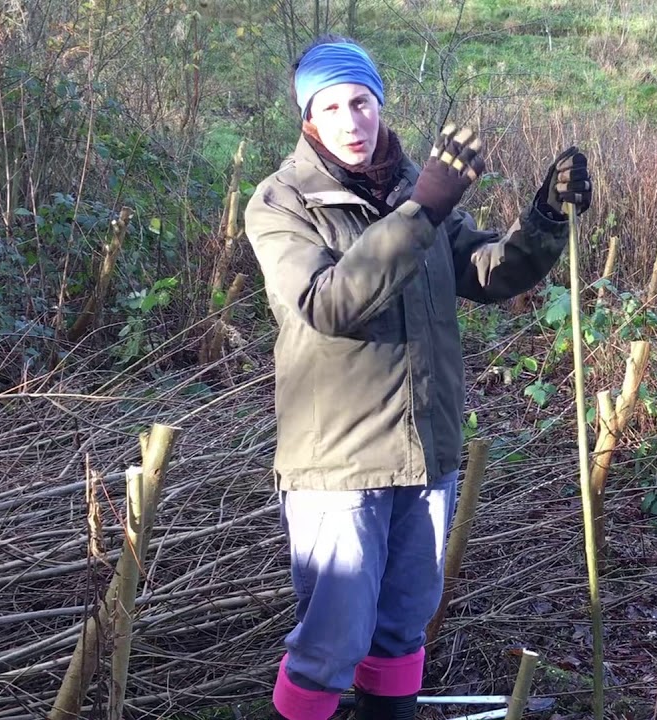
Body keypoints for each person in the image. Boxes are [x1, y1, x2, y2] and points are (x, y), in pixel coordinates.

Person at [242, 35, 592, 720]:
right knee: (329, 645)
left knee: (402, 629)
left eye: (363, 102)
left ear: (380, 104)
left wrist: (544, 220)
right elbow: (329, 304)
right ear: (308, 117)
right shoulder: (281, 203)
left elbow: (488, 273)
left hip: (426, 455)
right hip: (337, 464)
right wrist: (423, 209)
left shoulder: (410, 189)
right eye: (333, 105)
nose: (352, 121)